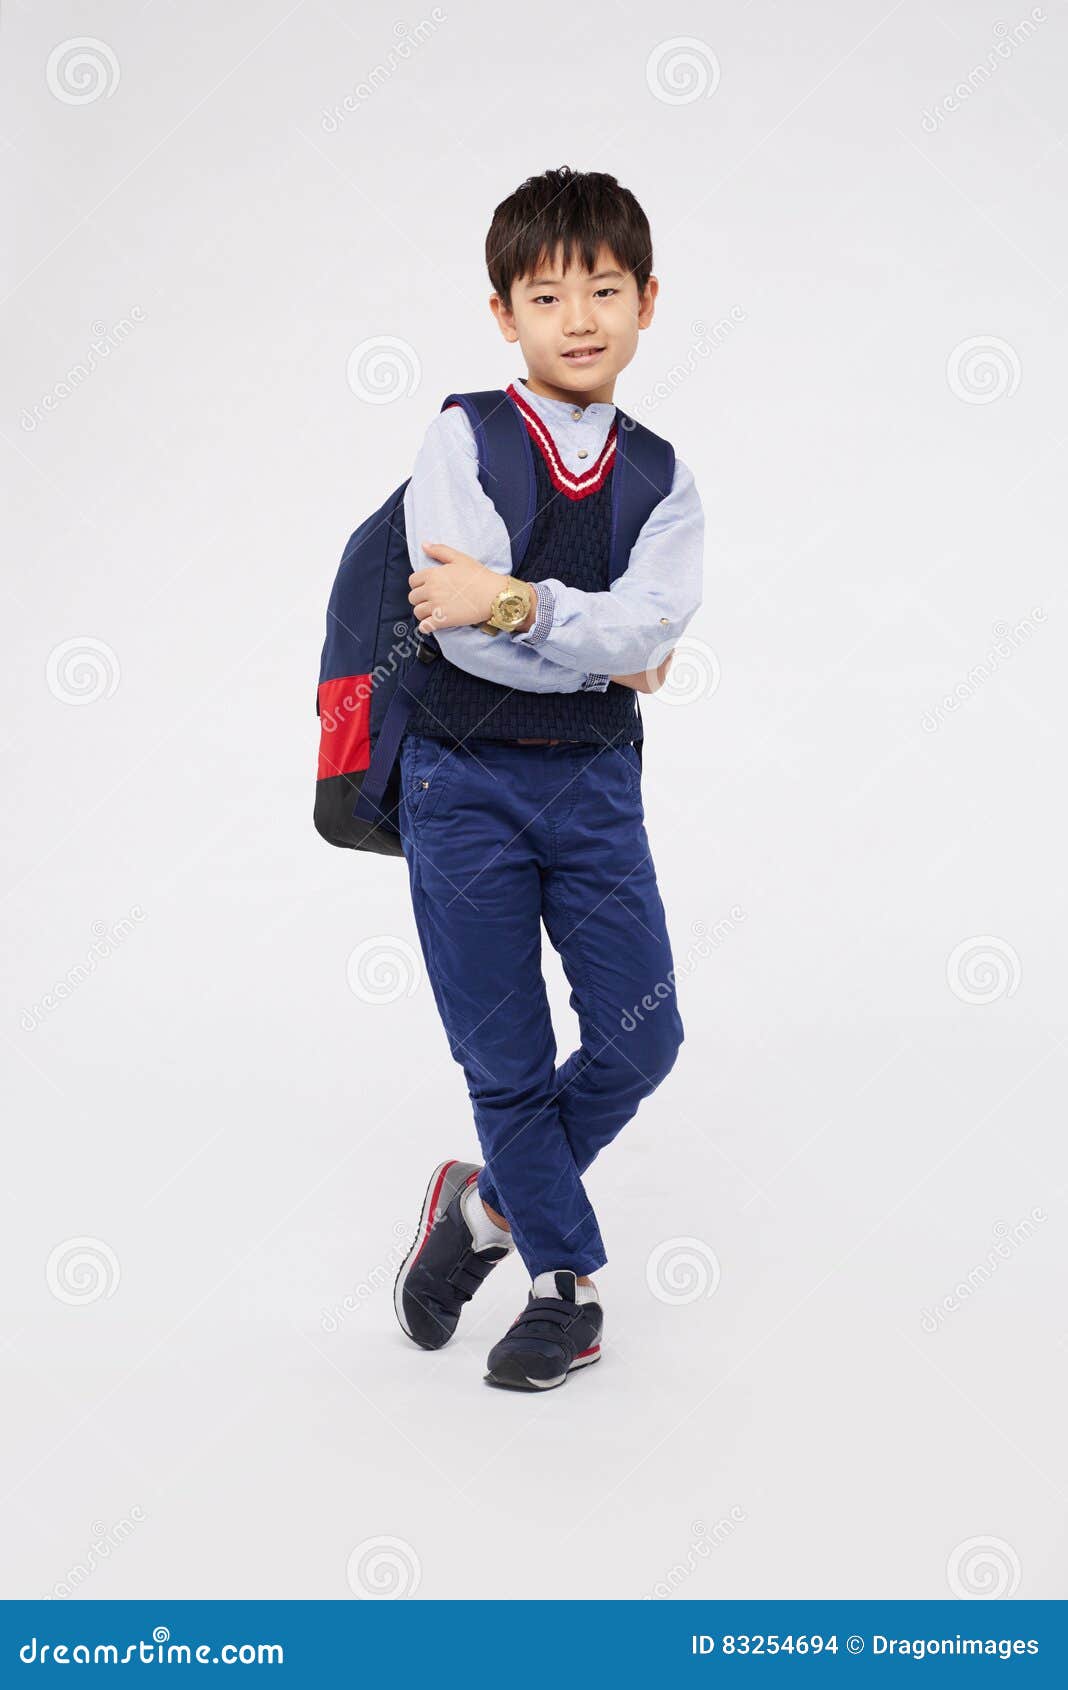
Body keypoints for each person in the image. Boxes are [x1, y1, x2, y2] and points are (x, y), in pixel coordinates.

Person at [391, 166, 704, 1391]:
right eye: (546, 295)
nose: (579, 318)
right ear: (503, 313)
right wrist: (598, 644)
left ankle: (483, 1207)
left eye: (605, 290)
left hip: (593, 788)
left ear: (647, 301)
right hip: (459, 785)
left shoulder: (662, 476)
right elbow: (456, 629)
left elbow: (650, 630)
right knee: (508, 1060)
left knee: (644, 1033)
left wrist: (516, 601)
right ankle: (562, 1287)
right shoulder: (462, 435)